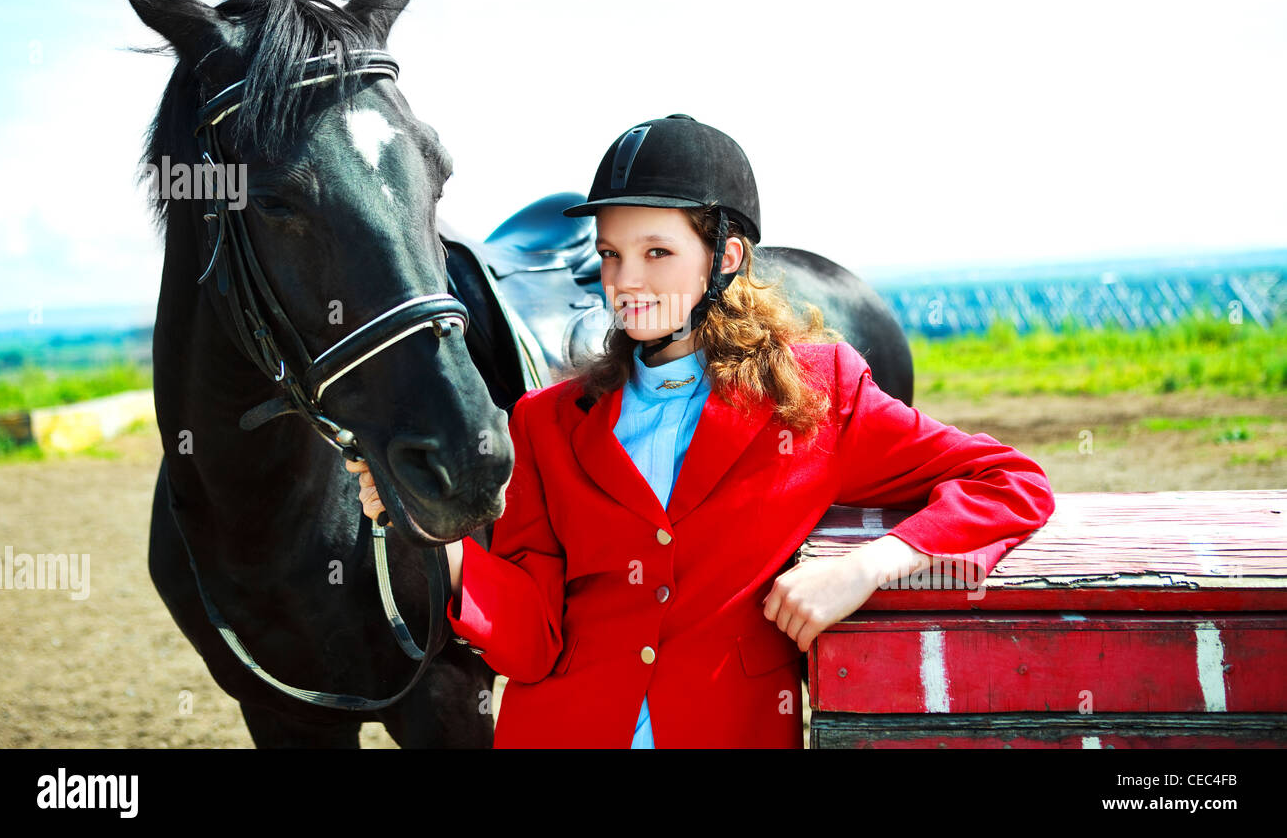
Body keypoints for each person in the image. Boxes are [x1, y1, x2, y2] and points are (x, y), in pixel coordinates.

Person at [347, 113, 1055, 748]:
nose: (626, 280)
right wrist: (438, 541)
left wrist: (866, 568)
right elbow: (531, 644)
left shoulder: (820, 393)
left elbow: (1010, 482)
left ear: (727, 257)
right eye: (611, 255)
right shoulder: (544, 421)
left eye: (657, 253)